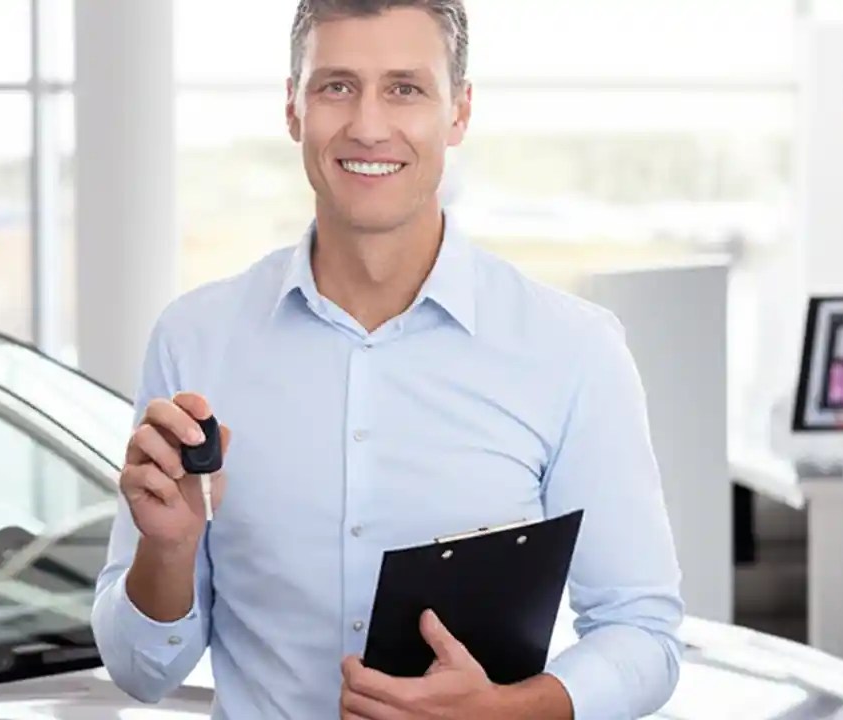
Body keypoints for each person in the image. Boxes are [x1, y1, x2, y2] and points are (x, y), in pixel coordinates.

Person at [91, 1, 685, 718]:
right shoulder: (195, 339)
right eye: (336, 86)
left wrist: (512, 712)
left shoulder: (574, 351)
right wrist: (168, 555)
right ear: (292, 108)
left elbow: (642, 632)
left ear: (458, 113)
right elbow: (138, 672)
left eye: (405, 88)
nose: (368, 124)